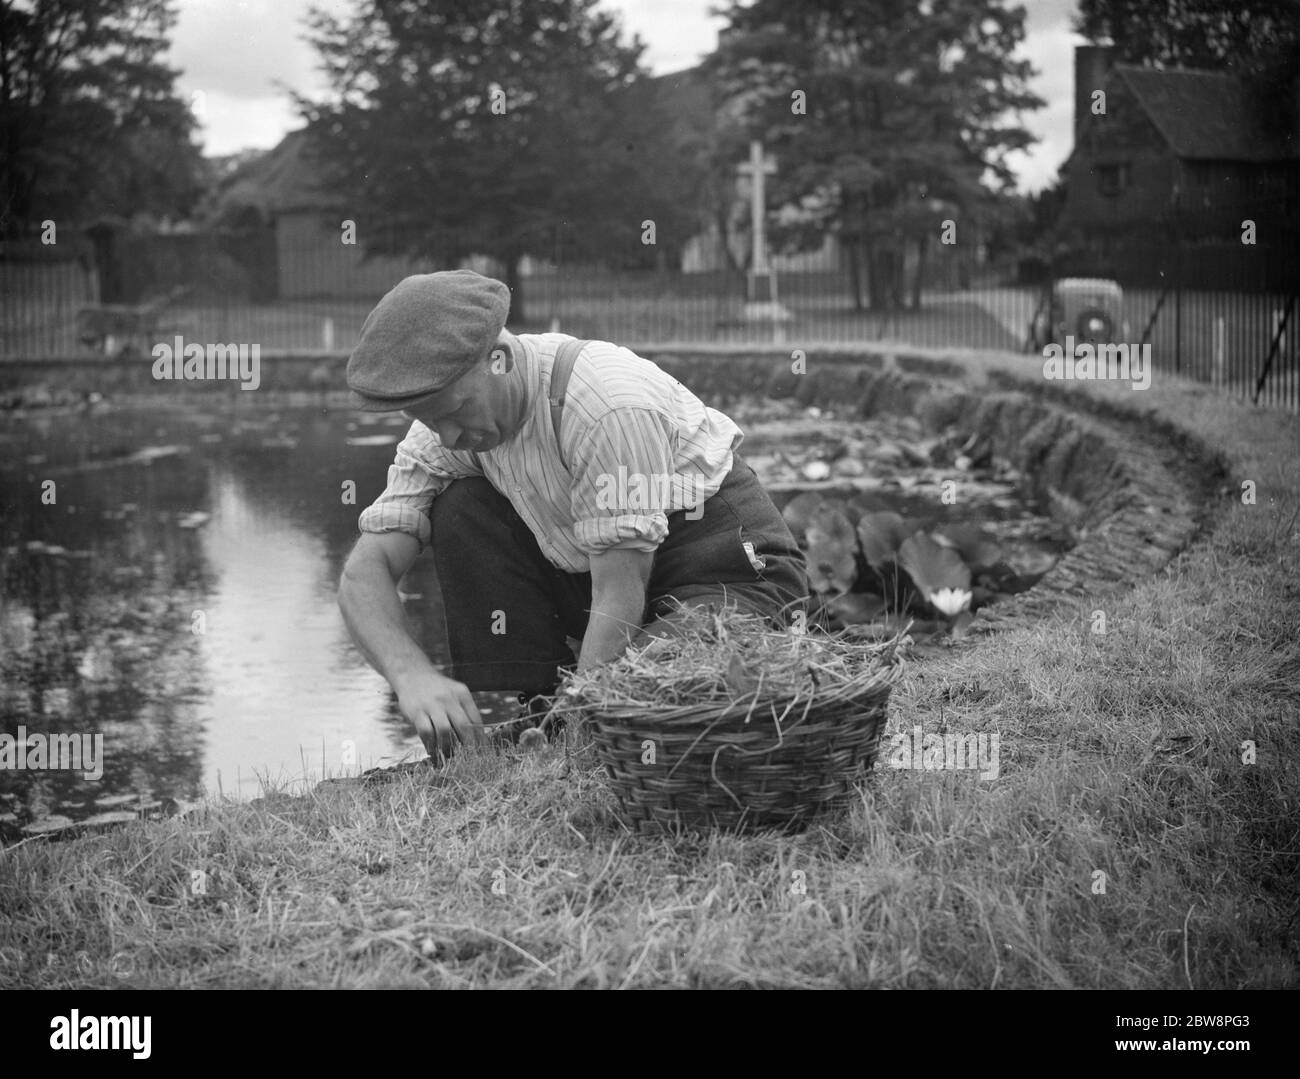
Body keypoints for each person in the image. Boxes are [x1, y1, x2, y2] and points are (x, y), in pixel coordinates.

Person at [337, 270, 809, 757]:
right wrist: (410, 674)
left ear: (498, 359)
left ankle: (573, 718)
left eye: (456, 411)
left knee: (652, 684)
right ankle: (539, 707)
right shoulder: (442, 434)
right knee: (459, 508)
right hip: (605, 569)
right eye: (429, 421)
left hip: (724, 568)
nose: (448, 437)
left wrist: (584, 710)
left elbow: (621, 585)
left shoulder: (606, 405)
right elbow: (363, 574)